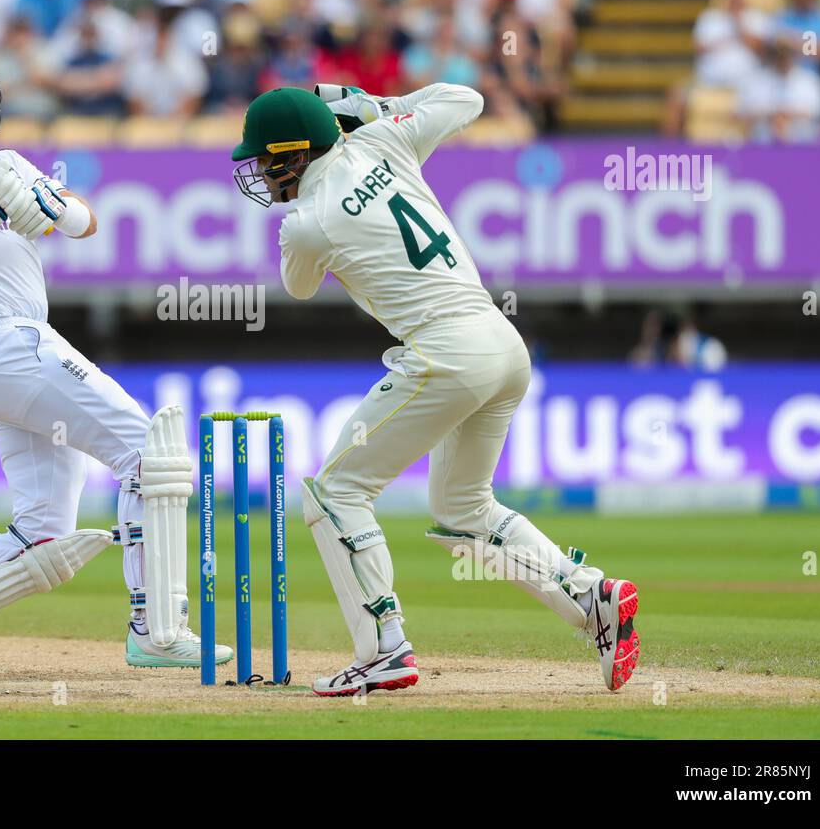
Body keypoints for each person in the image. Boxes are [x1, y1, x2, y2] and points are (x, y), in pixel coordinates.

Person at [230, 83, 640, 695]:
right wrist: (370, 104)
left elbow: (300, 288)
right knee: (464, 509)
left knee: (336, 491)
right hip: (502, 345)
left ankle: (383, 649)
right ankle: (593, 599)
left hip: (445, 354)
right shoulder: (385, 138)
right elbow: (469, 98)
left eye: (266, 158)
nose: (260, 171)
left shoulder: (307, 223)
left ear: (295, 153)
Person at [0, 56, 231, 682]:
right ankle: (158, 630)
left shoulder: (6, 163)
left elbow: (86, 224)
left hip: (22, 347)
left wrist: (45, 199)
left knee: (44, 530)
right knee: (151, 455)